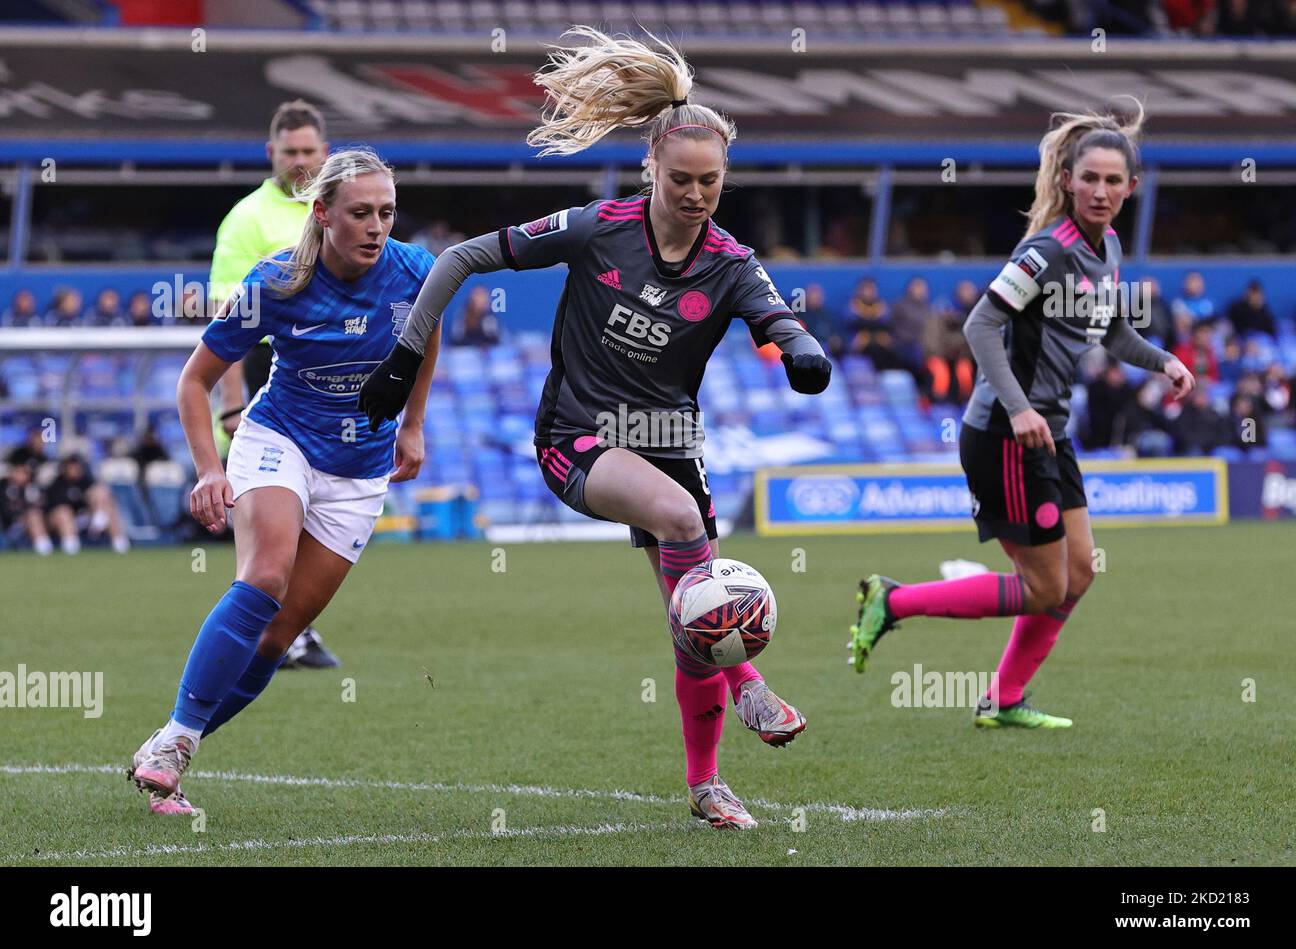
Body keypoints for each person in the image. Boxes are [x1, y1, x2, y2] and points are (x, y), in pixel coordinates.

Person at [360, 26, 831, 830]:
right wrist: (404, 360)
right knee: (690, 542)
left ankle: (706, 786)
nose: (694, 194)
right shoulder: (597, 227)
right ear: (650, 167)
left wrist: (801, 351)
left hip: (670, 446)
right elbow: (461, 258)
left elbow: (778, 320)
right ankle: (750, 688)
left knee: (694, 618)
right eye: (680, 178)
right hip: (575, 434)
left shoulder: (732, 261)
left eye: (709, 182)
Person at [848, 101, 1194, 728]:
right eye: (1090, 178)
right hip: (1006, 434)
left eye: (1114, 181)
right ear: (1067, 180)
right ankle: (893, 601)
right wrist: (1018, 406)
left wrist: (1162, 360)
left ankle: (1004, 700)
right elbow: (980, 325)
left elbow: (1111, 332)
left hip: (1048, 433)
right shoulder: (1046, 250)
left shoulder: (1107, 247)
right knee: (1043, 587)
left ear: (1131, 188)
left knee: (1079, 573)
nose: (1101, 190)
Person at [127, 149, 440, 815]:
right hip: (281, 441)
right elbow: (195, 381)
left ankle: (168, 744)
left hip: (360, 470)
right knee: (265, 578)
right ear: (322, 213)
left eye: (386, 212)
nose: (376, 226)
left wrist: (413, 422)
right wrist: (210, 468)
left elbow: (428, 327)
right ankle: (178, 738)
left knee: (276, 639)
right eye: (360, 213)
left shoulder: (414, 272)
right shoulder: (275, 283)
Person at [207, 99, 339, 669]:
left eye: (310, 151)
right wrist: (233, 407)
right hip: (272, 369)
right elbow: (224, 321)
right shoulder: (247, 220)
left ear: (325, 152)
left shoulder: (344, 207)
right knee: (276, 516)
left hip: (336, 371)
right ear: (271, 154)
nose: (301, 162)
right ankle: (267, 631)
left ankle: (289, 630)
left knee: (322, 510)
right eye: (291, 152)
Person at [43, 453, 131, 555]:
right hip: (63, 521)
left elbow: (102, 495)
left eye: (76, 466)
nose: (74, 469)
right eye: (71, 466)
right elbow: (55, 507)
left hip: (85, 518)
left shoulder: (86, 481)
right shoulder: (57, 484)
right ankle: (70, 548)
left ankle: (120, 545)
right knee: (63, 513)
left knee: (107, 505)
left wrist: (92, 504)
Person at [0, 460, 52, 554]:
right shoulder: (4, 488)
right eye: (19, 472)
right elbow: (6, 512)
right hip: (12, 526)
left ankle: (44, 546)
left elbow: (44, 506)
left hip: (36, 523)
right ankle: (44, 549)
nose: (22, 475)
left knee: (34, 515)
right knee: (32, 516)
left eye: (25, 472)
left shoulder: (32, 488)